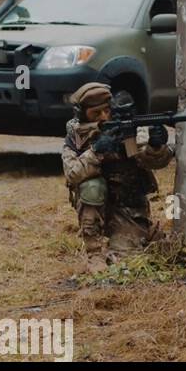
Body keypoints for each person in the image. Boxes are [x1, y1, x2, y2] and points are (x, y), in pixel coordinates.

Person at [61, 83, 174, 273]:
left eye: (107, 110)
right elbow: (72, 174)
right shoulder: (76, 136)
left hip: (128, 206)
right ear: (82, 114)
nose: (104, 117)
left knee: (128, 262)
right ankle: (94, 254)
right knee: (91, 186)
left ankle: (145, 234)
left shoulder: (127, 127)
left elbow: (153, 163)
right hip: (97, 208)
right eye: (95, 114)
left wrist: (156, 148)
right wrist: (96, 152)